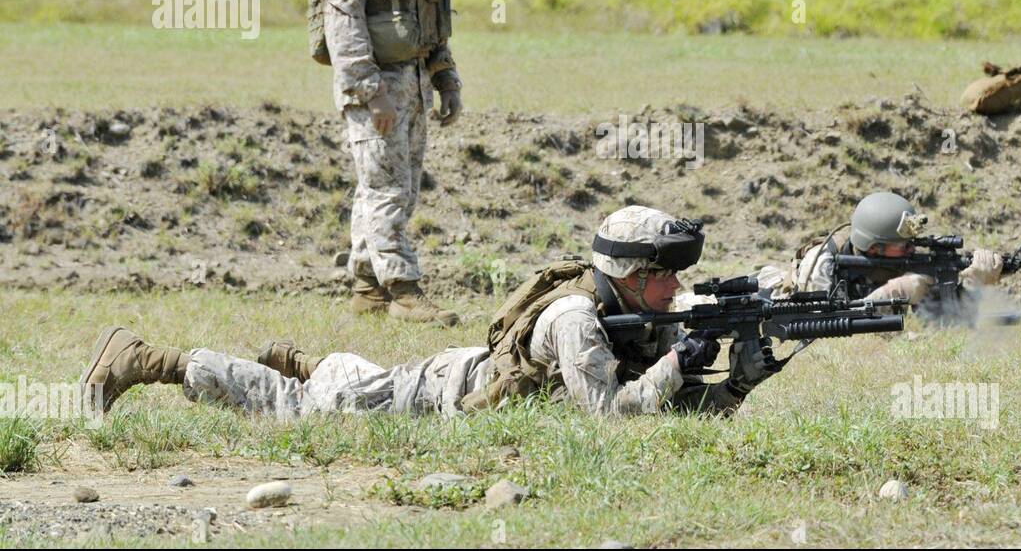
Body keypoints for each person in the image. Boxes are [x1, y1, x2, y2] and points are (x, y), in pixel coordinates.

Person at [78, 207, 778, 419]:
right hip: (437, 396)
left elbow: (673, 416)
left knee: (340, 381)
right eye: (668, 276)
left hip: (441, 382)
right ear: (634, 275)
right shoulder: (576, 319)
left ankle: (308, 362)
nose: (678, 288)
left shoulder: (649, 308)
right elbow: (611, 421)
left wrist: (737, 382)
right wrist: (674, 368)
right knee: (297, 411)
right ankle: (145, 359)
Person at [322, 0, 460, 323]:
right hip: (376, 90)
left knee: (389, 189)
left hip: (414, 87)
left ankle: (367, 287)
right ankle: (404, 290)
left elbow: (431, 22)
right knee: (388, 191)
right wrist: (371, 94)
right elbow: (345, 33)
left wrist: (446, 80)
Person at [756, 191, 1003, 306]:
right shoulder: (821, 262)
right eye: (902, 245)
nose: (911, 249)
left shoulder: (901, 259)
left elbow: (946, 316)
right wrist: (889, 295)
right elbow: (816, 325)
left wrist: (974, 280)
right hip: (769, 300)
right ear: (874, 248)